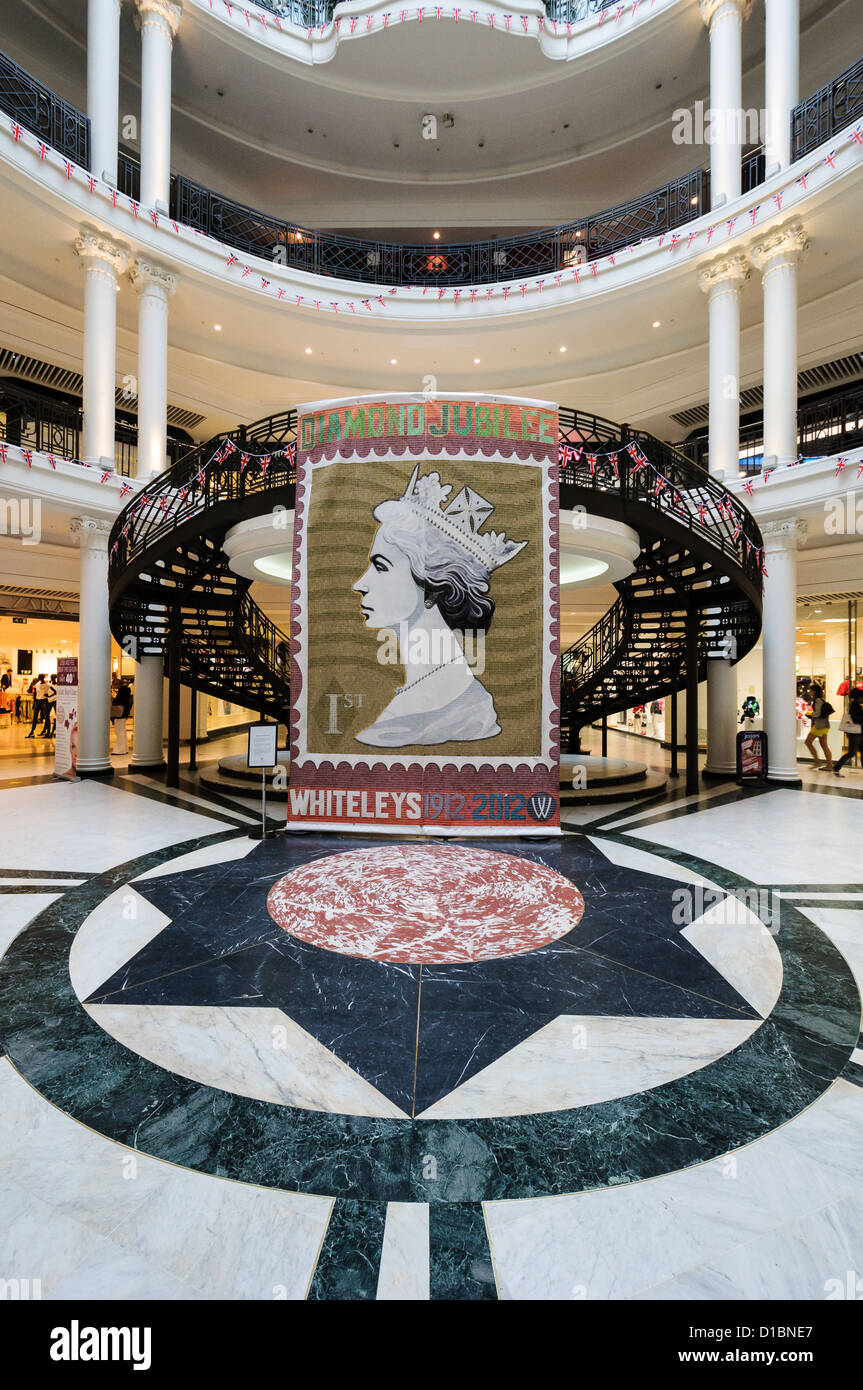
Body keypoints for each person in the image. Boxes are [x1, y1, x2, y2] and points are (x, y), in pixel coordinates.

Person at [351, 465, 526, 747]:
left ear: (435, 587)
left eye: (381, 567)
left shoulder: (465, 710)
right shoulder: (423, 694)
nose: (360, 584)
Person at [804, 682, 834, 772]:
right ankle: (829, 765)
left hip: (819, 726)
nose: (809, 692)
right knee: (824, 745)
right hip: (824, 725)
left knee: (808, 742)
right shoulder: (821, 699)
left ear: (814, 691)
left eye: (810, 690)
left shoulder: (817, 700)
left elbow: (817, 713)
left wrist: (809, 714)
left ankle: (817, 761)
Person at [833, 689, 863, 777]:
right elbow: (856, 719)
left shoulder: (853, 704)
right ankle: (836, 767)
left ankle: (836, 767)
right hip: (855, 733)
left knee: (858, 751)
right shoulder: (855, 706)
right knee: (852, 752)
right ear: (858, 697)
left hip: (857, 732)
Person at [26, 674, 55, 738]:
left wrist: (48, 696)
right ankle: (32, 732)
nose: (40, 678)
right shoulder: (37, 684)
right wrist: (34, 703)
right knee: (35, 717)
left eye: (41, 677)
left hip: (44, 701)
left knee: (46, 717)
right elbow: (35, 694)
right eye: (39, 677)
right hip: (38, 701)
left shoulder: (47, 685)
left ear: (43, 678)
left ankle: (48, 732)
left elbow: (55, 691)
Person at [110, 676, 132, 756]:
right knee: (122, 731)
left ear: (117, 684)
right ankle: (124, 748)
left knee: (119, 731)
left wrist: (113, 700)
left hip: (119, 713)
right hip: (123, 713)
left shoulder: (122, 691)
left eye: (114, 685)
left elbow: (118, 702)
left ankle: (119, 750)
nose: (114, 687)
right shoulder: (126, 690)